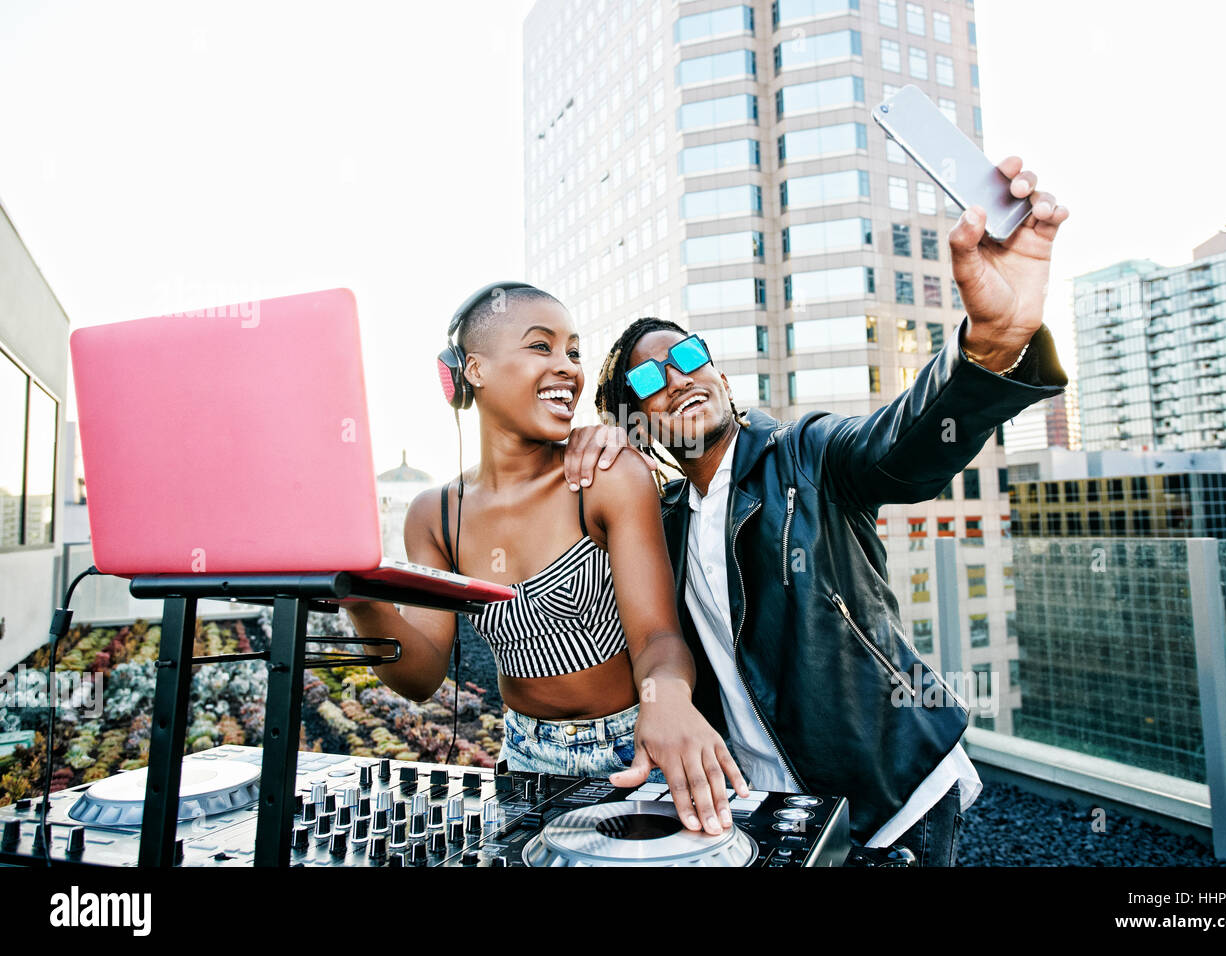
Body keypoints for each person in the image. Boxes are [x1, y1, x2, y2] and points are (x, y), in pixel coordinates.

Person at [564, 161, 1071, 864]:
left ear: (722, 375)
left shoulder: (806, 455)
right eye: (649, 379)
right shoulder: (661, 522)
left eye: (687, 355)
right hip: (773, 809)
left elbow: (902, 445)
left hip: (891, 797)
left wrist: (989, 343)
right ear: (637, 425)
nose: (677, 377)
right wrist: (587, 453)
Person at [346, 283, 749, 835]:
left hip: (637, 755)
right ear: (470, 372)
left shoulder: (606, 476)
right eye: (542, 347)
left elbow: (658, 637)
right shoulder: (431, 515)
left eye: (574, 352)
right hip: (522, 761)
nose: (568, 369)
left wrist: (671, 701)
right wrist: (359, 595)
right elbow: (419, 676)